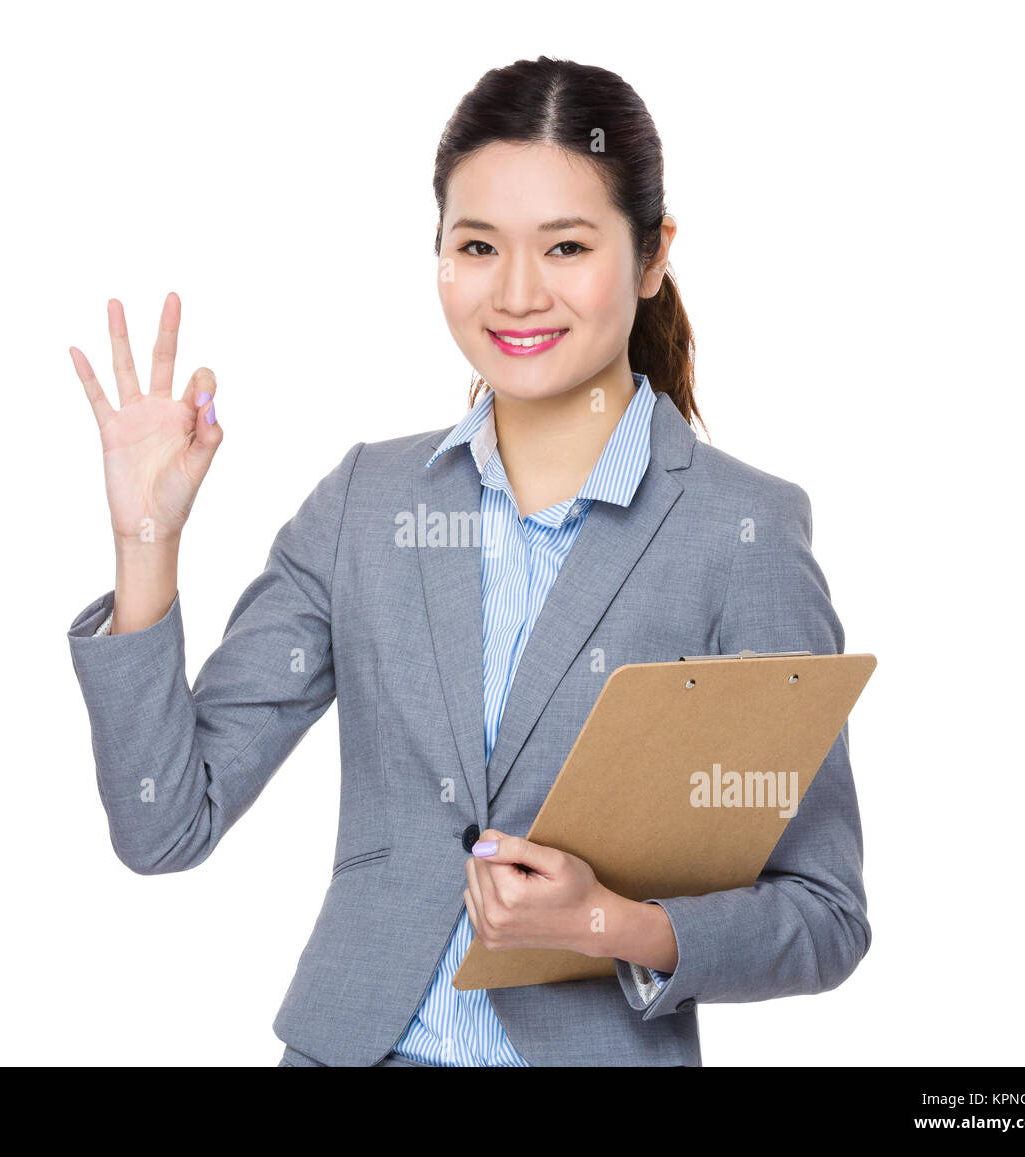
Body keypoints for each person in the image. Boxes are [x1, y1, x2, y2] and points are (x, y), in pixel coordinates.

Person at [66, 55, 870, 1067]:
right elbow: (163, 825)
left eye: (567, 245)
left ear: (653, 253)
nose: (518, 292)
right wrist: (147, 543)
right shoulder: (367, 502)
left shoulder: (737, 532)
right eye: (478, 245)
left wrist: (606, 924)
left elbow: (822, 912)